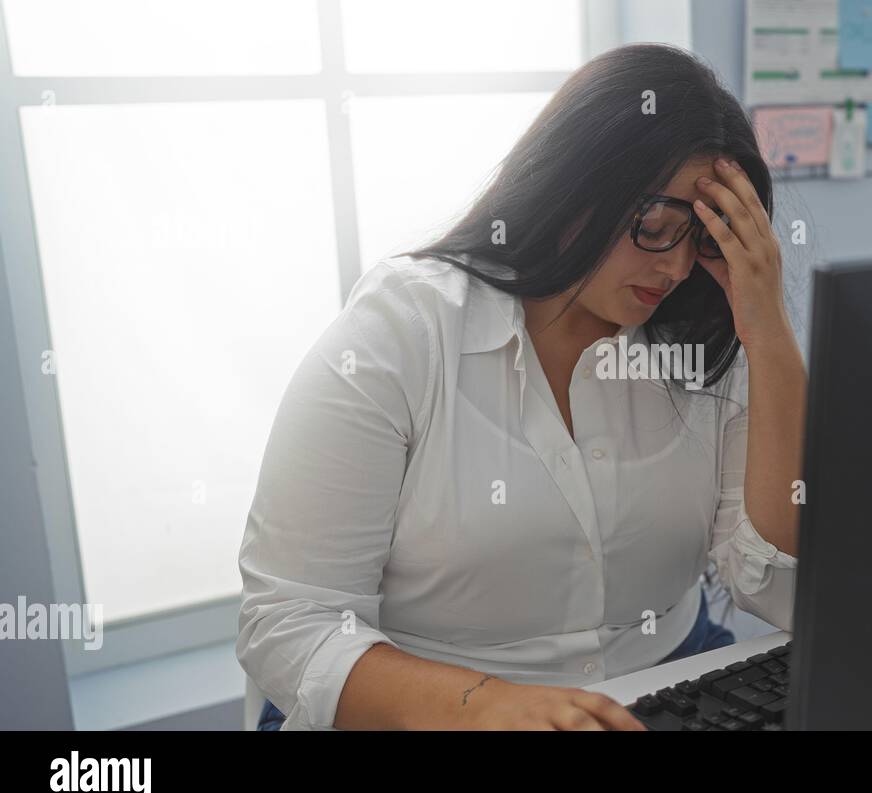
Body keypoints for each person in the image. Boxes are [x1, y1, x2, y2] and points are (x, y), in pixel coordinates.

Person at [238, 43, 806, 731]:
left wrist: (770, 332)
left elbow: (779, 587)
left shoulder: (707, 336)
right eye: (656, 227)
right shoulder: (402, 333)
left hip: (661, 681)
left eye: (706, 238)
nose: (679, 266)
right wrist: (486, 703)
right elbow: (288, 623)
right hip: (426, 709)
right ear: (576, 187)